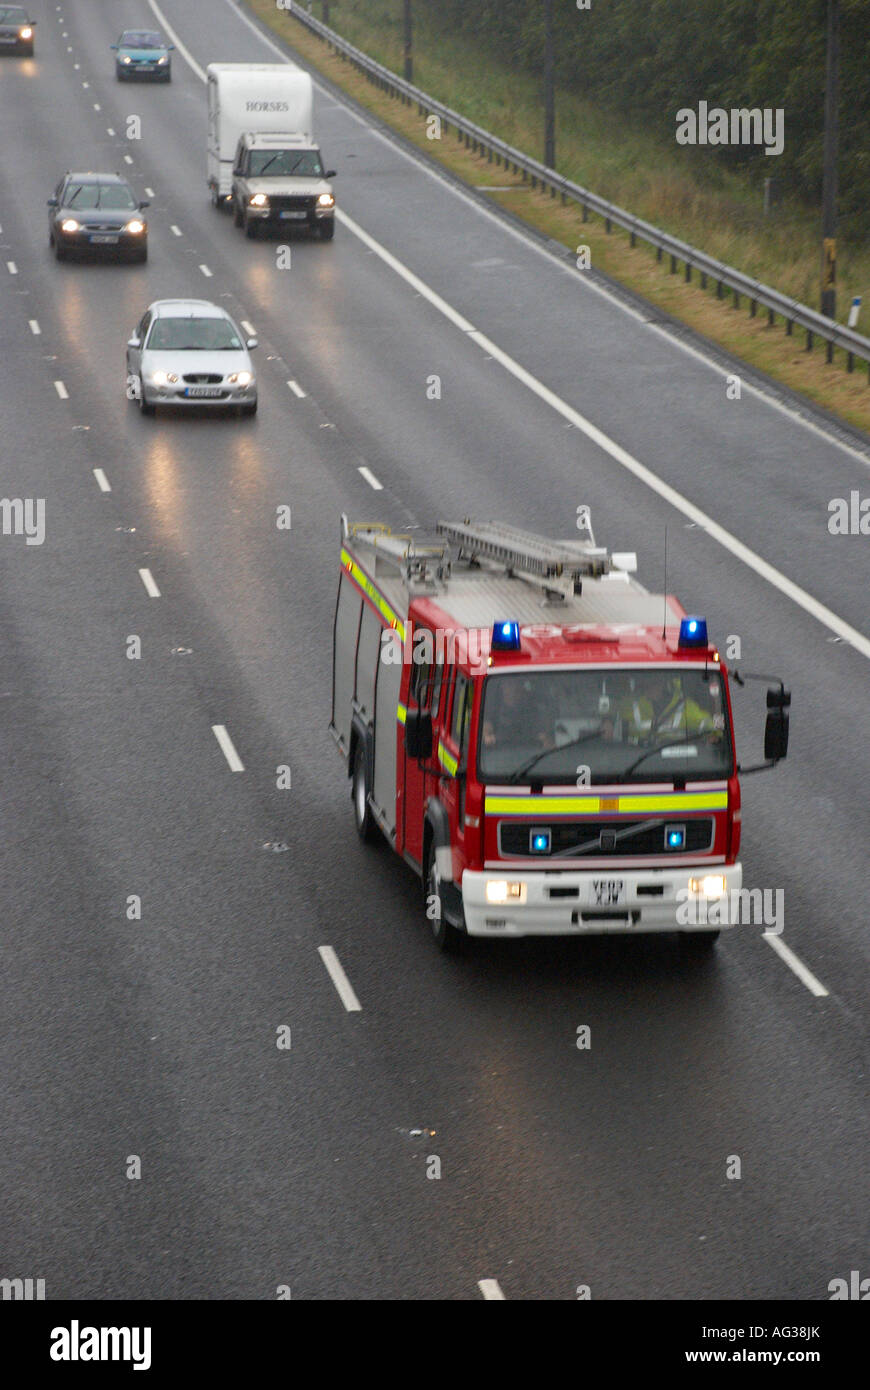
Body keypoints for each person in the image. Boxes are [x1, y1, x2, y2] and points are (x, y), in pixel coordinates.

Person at [482, 678, 553, 750]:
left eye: (517, 685)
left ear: (522, 689)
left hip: (530, 754)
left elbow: (544, 737)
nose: (514, 689)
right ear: (502, 687)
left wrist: (545, 740)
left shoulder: (533, 711)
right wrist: (487, 736)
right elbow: (486, 733)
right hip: (499, 755)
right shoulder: (493, 711)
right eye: (509, 684)